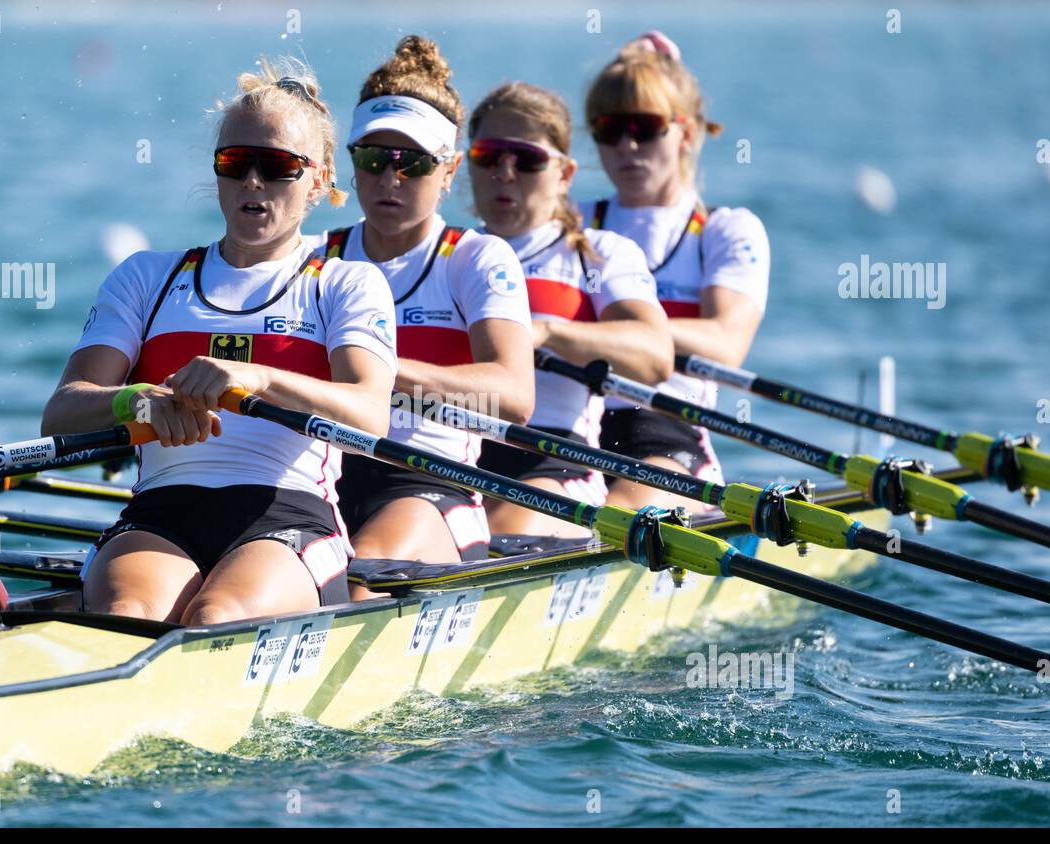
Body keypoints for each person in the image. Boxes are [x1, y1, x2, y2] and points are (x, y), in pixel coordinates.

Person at [41, 61, 397, 625]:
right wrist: (133, 400)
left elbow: (370, 416)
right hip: (161, 511)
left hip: (289, 515)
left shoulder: (345, 282)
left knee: (215, 617)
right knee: (128, 613)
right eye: (235, 164)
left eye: (278, 166)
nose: (252, 182)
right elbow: (61, 412)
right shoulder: (146, 277)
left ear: (322, 179)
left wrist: (259, 378)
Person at [313, 35, 535, 574]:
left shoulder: (475, 259)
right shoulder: (320, 259)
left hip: (431, 483)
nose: (389, 179)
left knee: (362, 576)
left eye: (411, 163)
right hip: (322, 478)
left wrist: (375, 375)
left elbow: (513, 397)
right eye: (371, 159)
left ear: (449, 171)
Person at [468, 81, 671, 537]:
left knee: (498, 530)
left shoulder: (598, 254)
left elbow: (655, 357)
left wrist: (546, 333)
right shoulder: (450, 254)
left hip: (555, 461)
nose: (504, 172)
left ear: (564, 174)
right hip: (453, 454)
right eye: (488, 156)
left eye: (526, 159)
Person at [583, 31, 771, 512]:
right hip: (566, 426)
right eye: (608, 129)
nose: (626, 145)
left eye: (644, 128)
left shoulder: (722, 232)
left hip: (667, 433)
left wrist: (601, 336)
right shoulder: (572, 223)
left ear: (685, 134)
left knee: (618, 513)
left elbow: (726, 344)